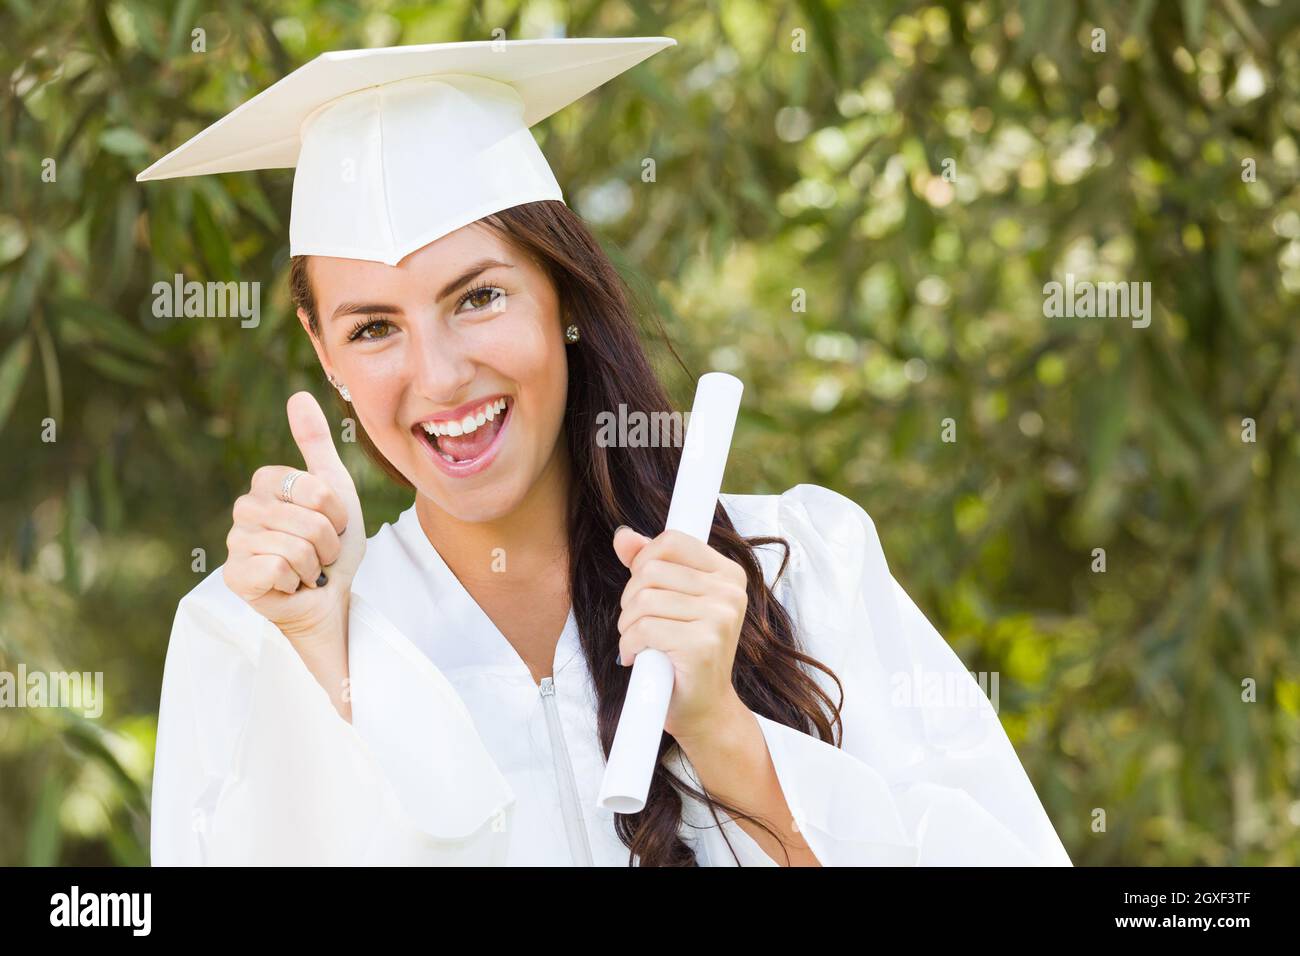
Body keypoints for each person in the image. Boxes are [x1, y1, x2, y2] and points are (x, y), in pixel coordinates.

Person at [140, 37, 1072, 866]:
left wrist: (721, 729)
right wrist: (326, 665)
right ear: (323, 352)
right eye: (375, 328)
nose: (440, 376)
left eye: (479, 297)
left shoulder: (796, 568)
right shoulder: (260, 635)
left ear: (564, 295)